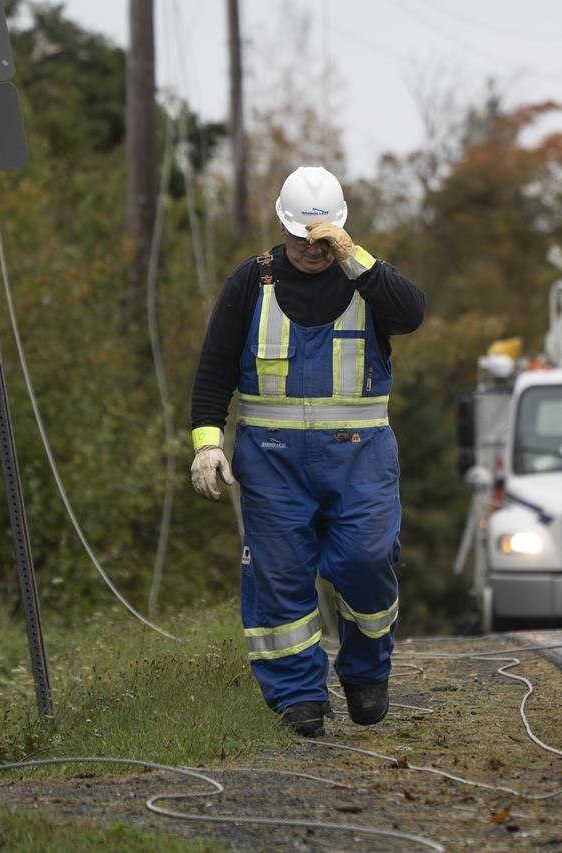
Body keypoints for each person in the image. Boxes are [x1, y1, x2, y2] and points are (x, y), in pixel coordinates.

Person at [189, 166, 425, 737]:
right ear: (283, 229)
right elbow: (215, 369)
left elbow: (411, 313)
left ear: (338, 231)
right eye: (300, 239)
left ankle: (367, 672)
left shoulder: (365, 281)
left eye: (320, 240)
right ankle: (298, 696)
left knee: (367, 563)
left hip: (361, 462)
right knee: (280, 575)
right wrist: (207, 444)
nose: (310, 251)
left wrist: (354, 257)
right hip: (272, 464)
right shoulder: (253, 281)